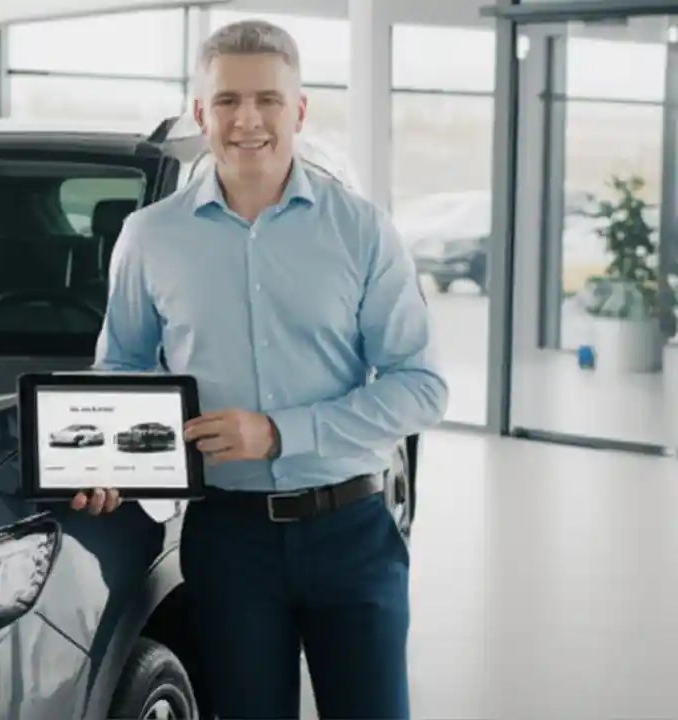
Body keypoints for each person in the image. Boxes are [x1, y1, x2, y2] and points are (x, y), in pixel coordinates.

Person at [69, 18, 448, 720]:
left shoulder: (362, 230)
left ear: (298, 111)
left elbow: (421, 386)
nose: (248, 120)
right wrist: (105, 458)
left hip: (352, 531)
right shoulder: (151, 238)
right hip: (228, 539)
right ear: (200, 113)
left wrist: (278, 433)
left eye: (268, 100)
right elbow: (121, 368)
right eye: (228, 101)